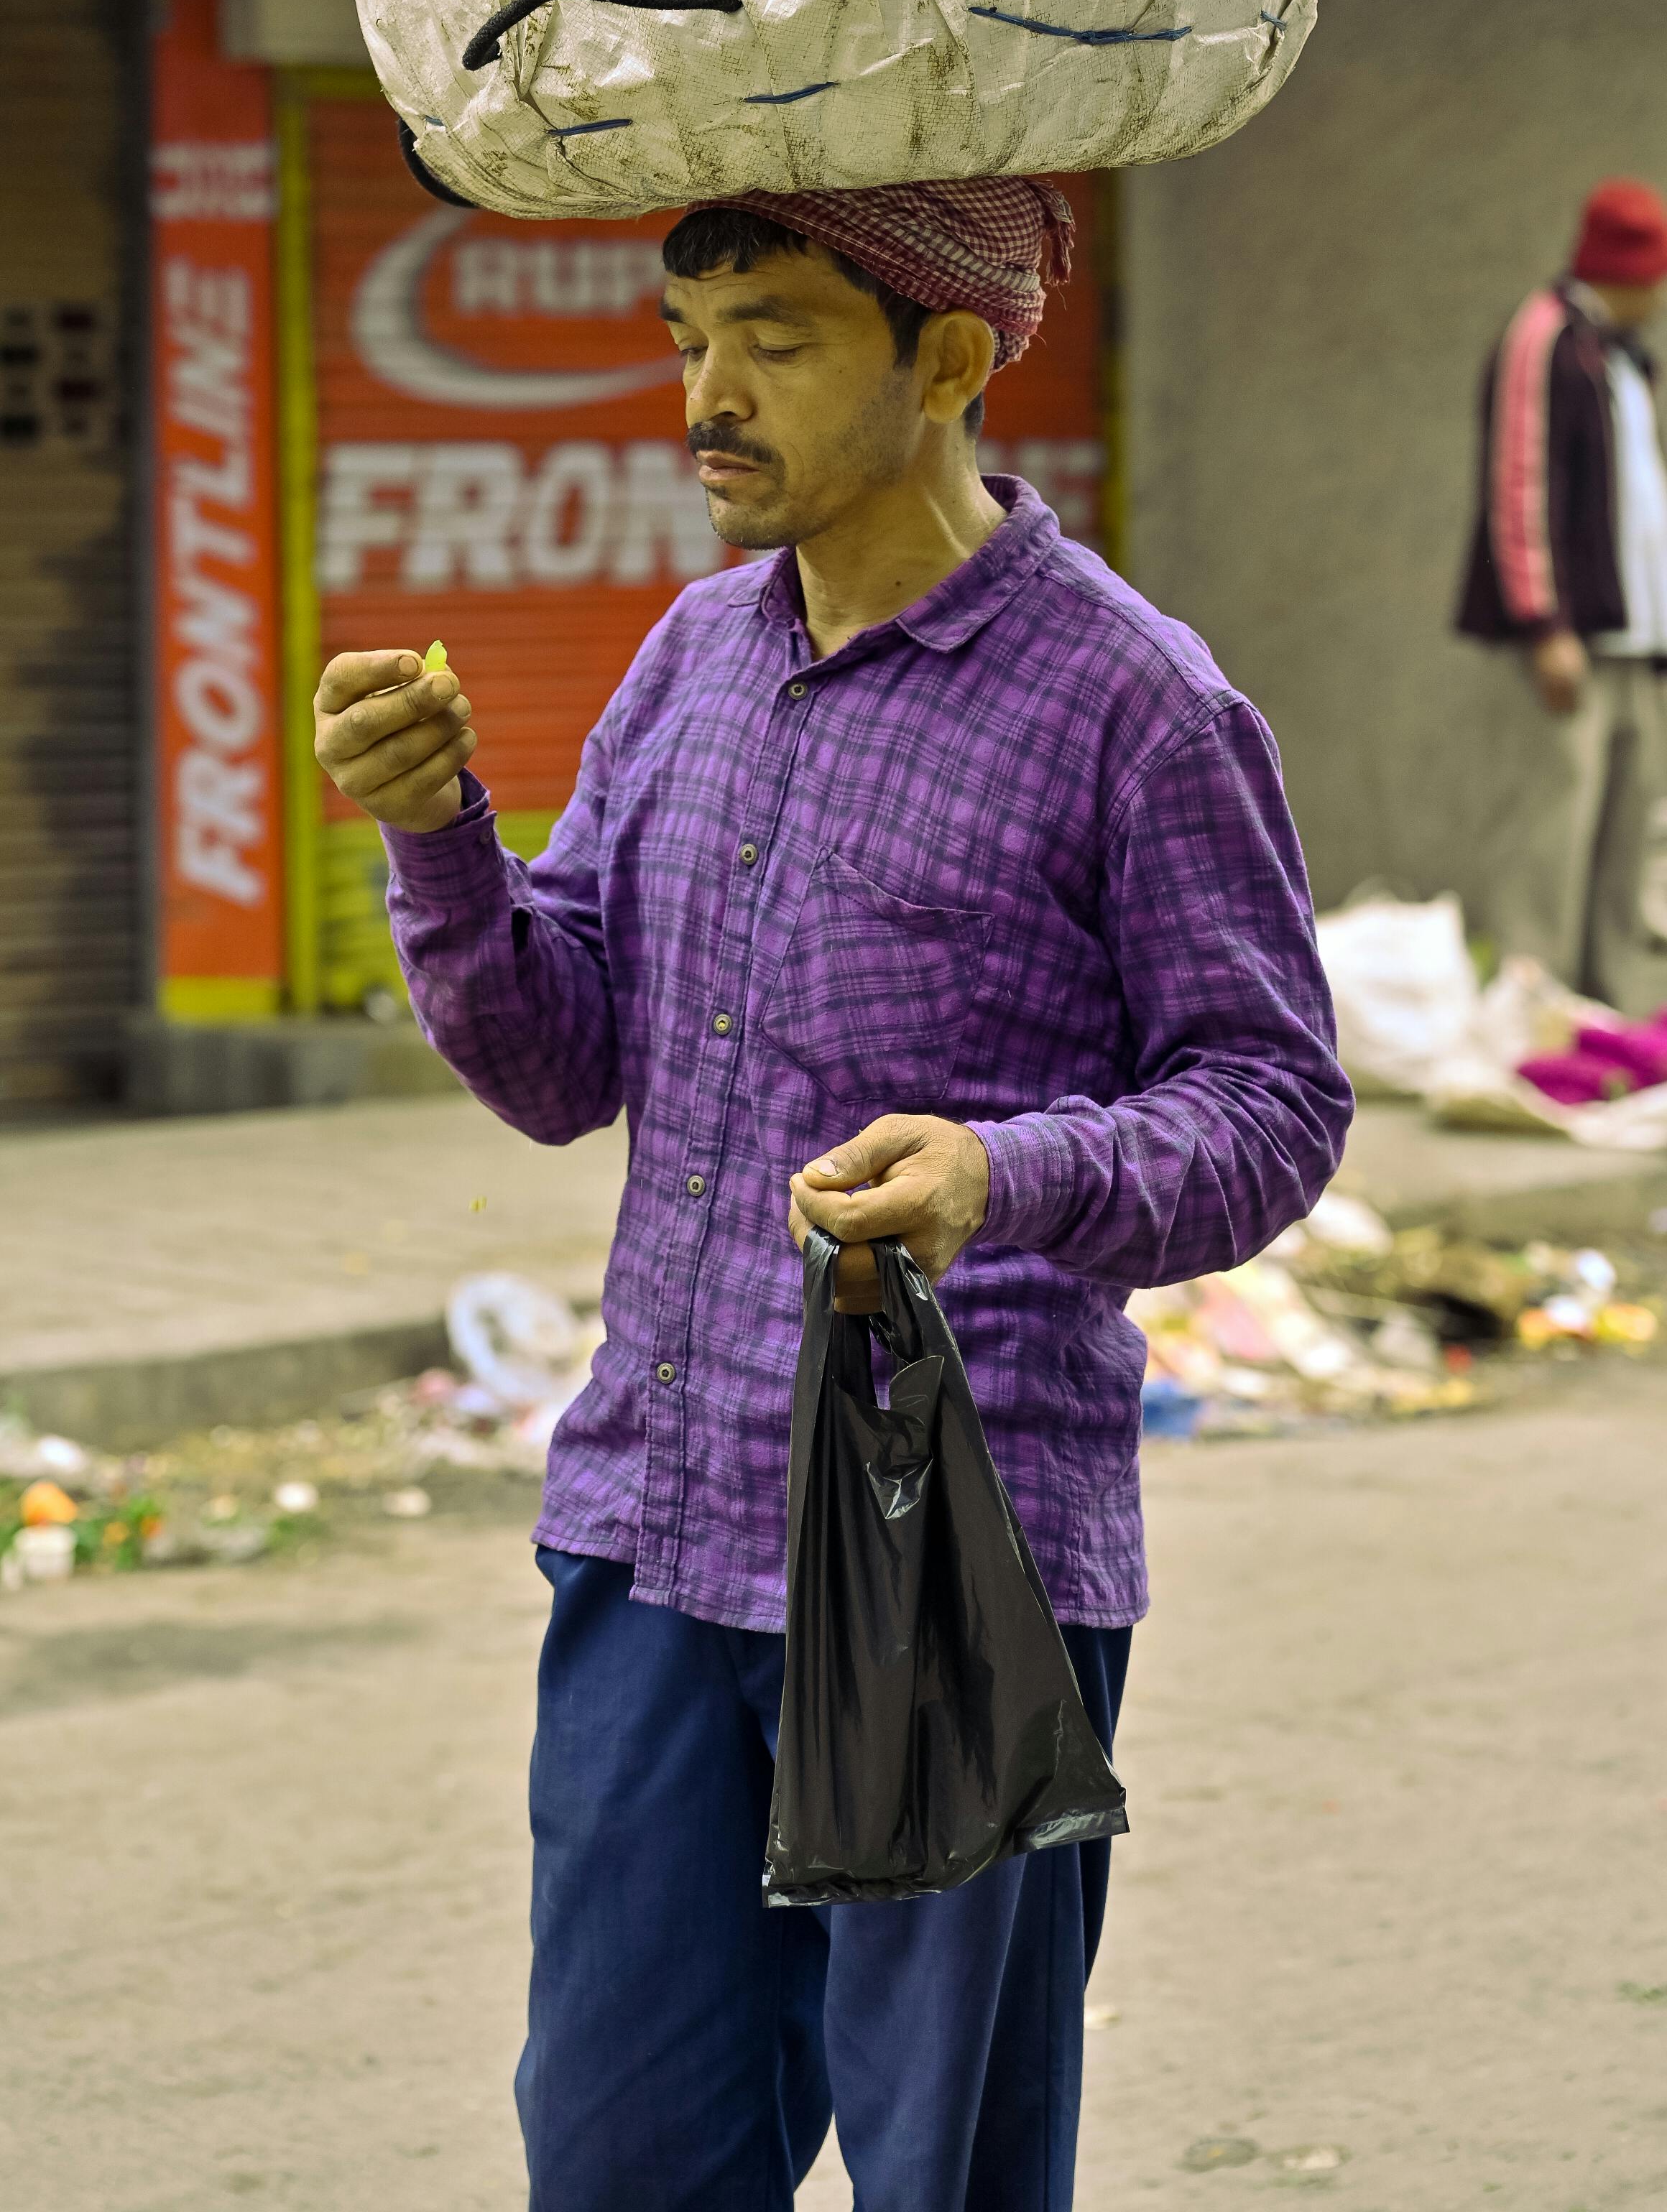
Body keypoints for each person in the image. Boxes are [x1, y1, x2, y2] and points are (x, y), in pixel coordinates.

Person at [313, 176, 1351, 2212]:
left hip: (951, 1564)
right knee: (616, 2160)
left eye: (773, 340)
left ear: (951, 361)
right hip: (654, 1528)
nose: (706, 395)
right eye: (688, 338)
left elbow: (1272, 1103)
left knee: (945, 2174)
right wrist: (440, 834)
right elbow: (560, 1064)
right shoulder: (693, 657)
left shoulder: (1133, 705)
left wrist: (1011, 1170)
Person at [1458, 177, 1667, 1012]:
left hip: (1638, 641)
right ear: (1630, 271)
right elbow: (1518, 481)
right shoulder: (1545, 335)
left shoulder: (1623, 354)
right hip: (1571, 638)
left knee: (1632, 840)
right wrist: (1545, 624)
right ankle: (1529, 1017)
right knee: (1549, 836)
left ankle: (1620, 1016)